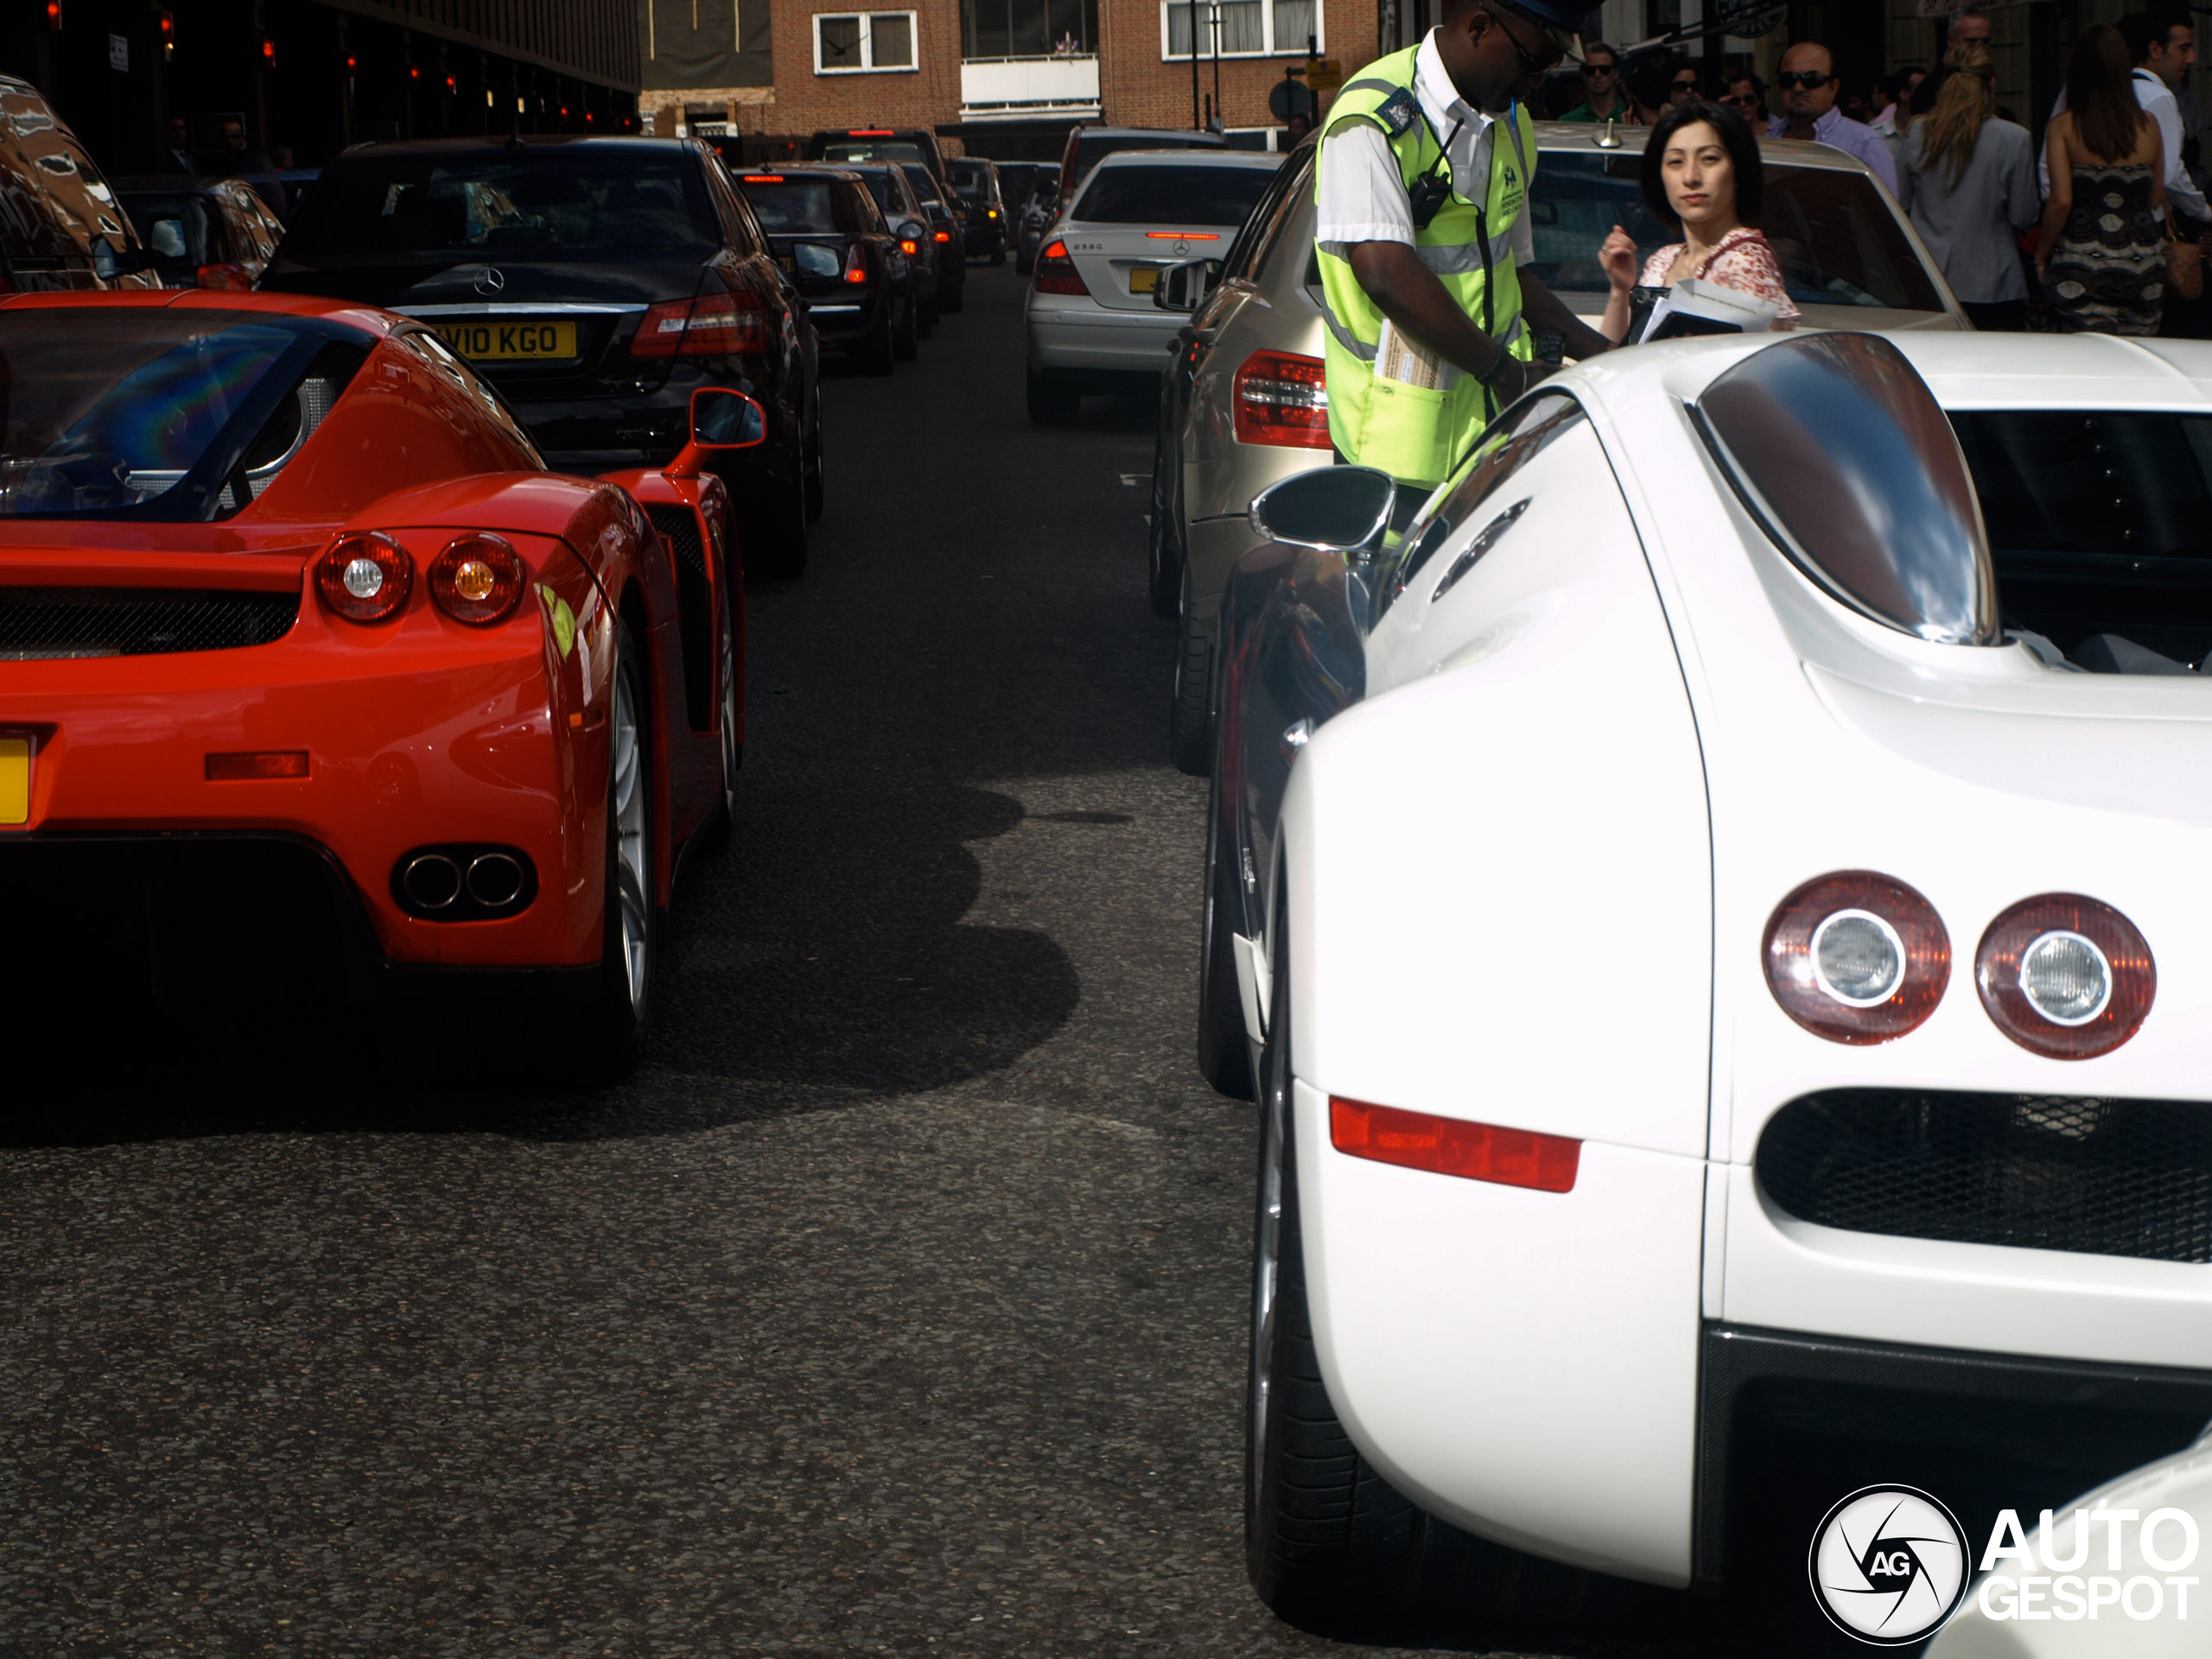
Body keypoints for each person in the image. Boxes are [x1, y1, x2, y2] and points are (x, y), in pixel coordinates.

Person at [1313, 0, 1614, 489]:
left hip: (1493, 442)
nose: (1535, 83)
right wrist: (1506, 373)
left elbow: (1509, 271)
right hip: (1398, 454)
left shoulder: (1511, 124)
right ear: (1479, 27)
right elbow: (1386, 275)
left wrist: (1606, 355)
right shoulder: (1370, 117)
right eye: (1532, 62)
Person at [1597, 99, 1799, 340]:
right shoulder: (1662, 261)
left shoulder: (1745, 261)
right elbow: (1610, 357)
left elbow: (1756, 368)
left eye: (1710, 159)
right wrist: (1621, 290)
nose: (1691, 177)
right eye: (1676, 162)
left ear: (1739, 170)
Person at [1896, 45, 2037, 330]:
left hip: (1929, 277)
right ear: (1992, 83)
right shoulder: (2014, 138)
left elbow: (1904, 204)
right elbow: (2023, 216)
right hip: (1993, 280)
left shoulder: (1918, 131)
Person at [2038, 22, 2167, 334]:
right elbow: (2155, 197)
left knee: (2084, 362)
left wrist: (2042, 256)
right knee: (2138, 359)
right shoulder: (2150, 125)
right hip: (2143, 262)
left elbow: (2061, 202)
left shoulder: (2064, 127)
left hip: (2081, 265)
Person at [1769, 42, 1899, 194]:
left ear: (1834, 87)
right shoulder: (1769, 138)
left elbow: (1884, 215)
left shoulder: (1864, 144)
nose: (1798, 88)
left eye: (1812, 79)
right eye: (1788, 79)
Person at [1558, 41, 1631, 123]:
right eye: (1590, 70)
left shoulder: (1632, 117)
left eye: (1604, 70)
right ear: (1583, 74)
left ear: (1616, 73)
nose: (1597, 75)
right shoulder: (1567, 122)